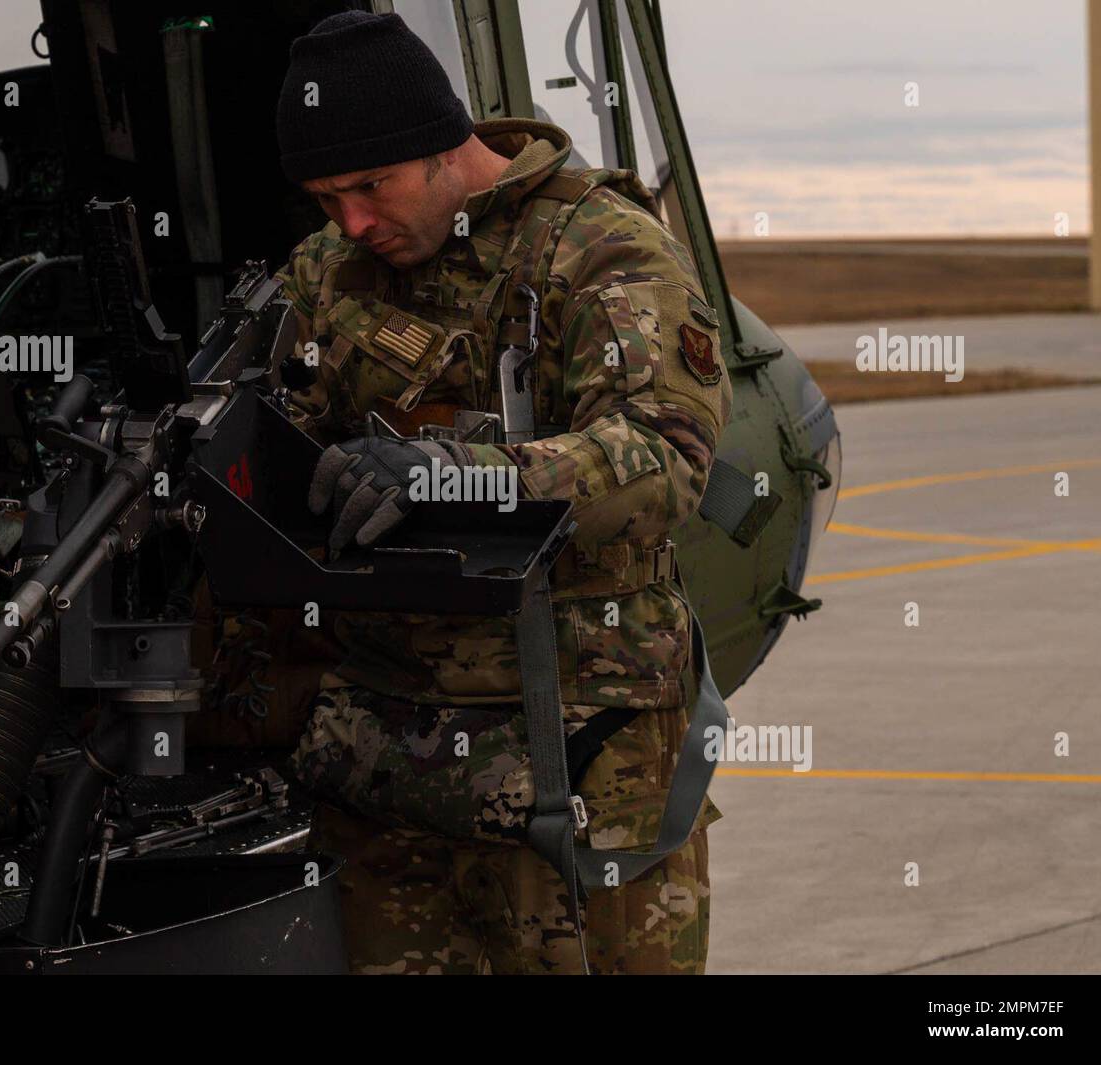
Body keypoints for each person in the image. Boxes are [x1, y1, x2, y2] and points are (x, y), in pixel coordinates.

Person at [270, 10, 732, 974]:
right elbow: (282, 440)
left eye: (371, 187)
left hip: (575, 755)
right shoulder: (326, 272)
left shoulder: (597, 244)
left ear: (446, 146)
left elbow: (665, 453)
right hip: (384, 761)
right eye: (325, 199)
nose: (354, 223)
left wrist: (463, 478)